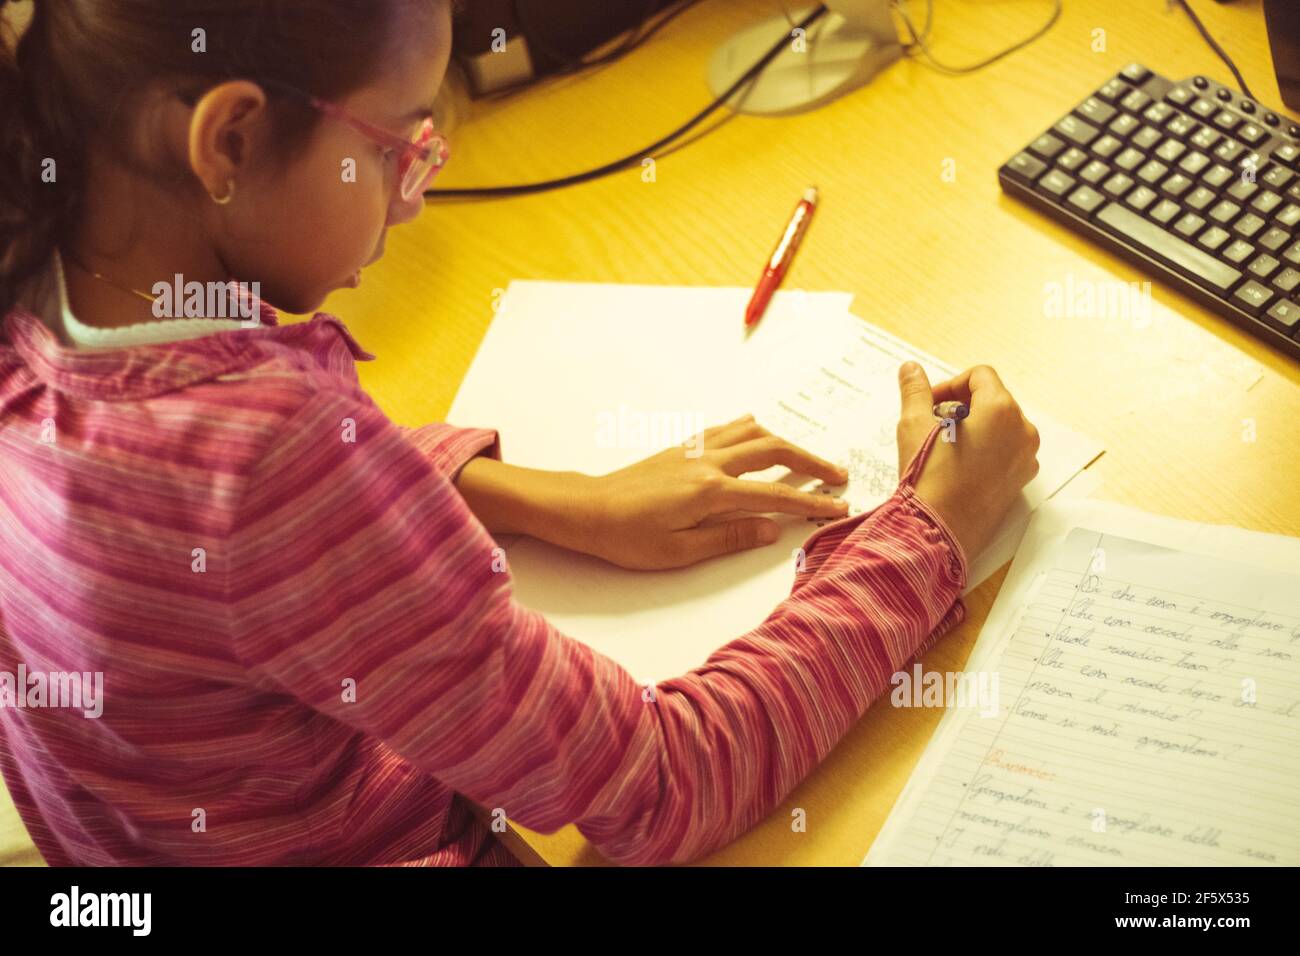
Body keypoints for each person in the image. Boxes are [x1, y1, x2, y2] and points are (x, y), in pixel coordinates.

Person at [0, 0, 1039, 865]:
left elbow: (204, 539)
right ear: (228, 138)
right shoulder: (266, 459)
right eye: (401, 141)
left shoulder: (43, 288)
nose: (415, 197)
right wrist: (929, 527)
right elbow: (666, 782)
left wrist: (545, 495)